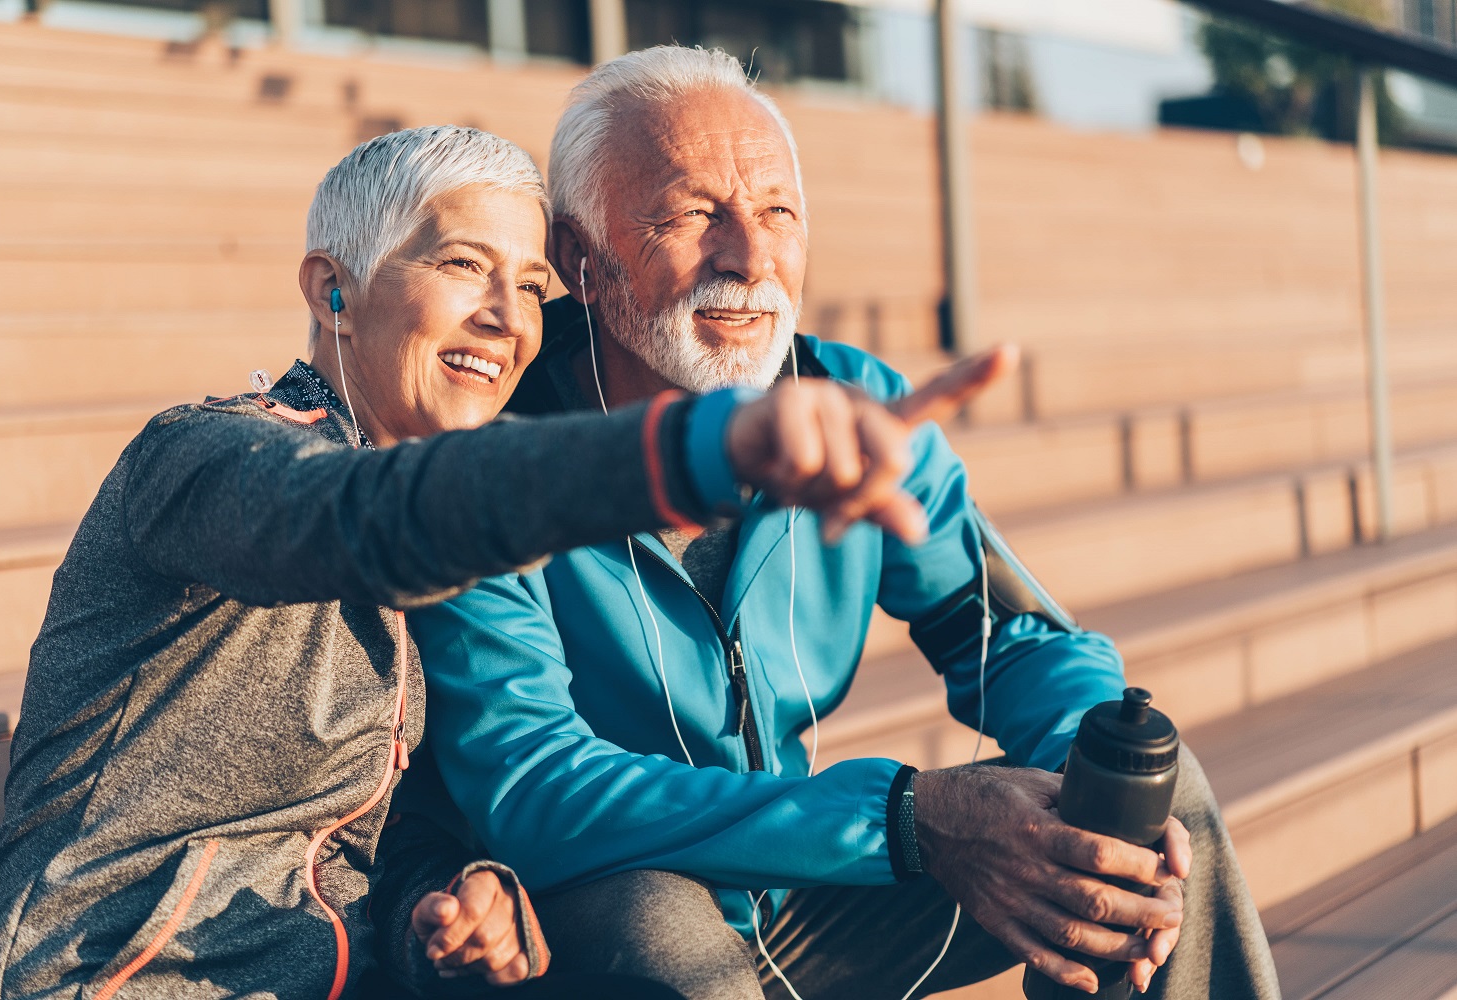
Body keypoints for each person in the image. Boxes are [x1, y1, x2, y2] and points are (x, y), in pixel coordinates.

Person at [0, 124, 989, 1000]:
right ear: (334, 291)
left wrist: (452, 903)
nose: (507, 317)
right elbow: (362, 516)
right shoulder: (207, 456)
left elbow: (374, 838)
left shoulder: (454, 547)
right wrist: (704, 444)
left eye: (532, 285)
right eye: (460, 266)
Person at [387, 49, 1283, 1000]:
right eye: (693, 215)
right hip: (604, 913)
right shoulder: (495, 458)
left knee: (1144, 798)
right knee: (654, 919)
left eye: (777, 212)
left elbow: (1013, 635)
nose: (749, 255)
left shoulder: (860, 407)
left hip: (809, 893)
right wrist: (905, 818)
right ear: (581, 261)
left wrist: (1078, 785)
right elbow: (537, 790)